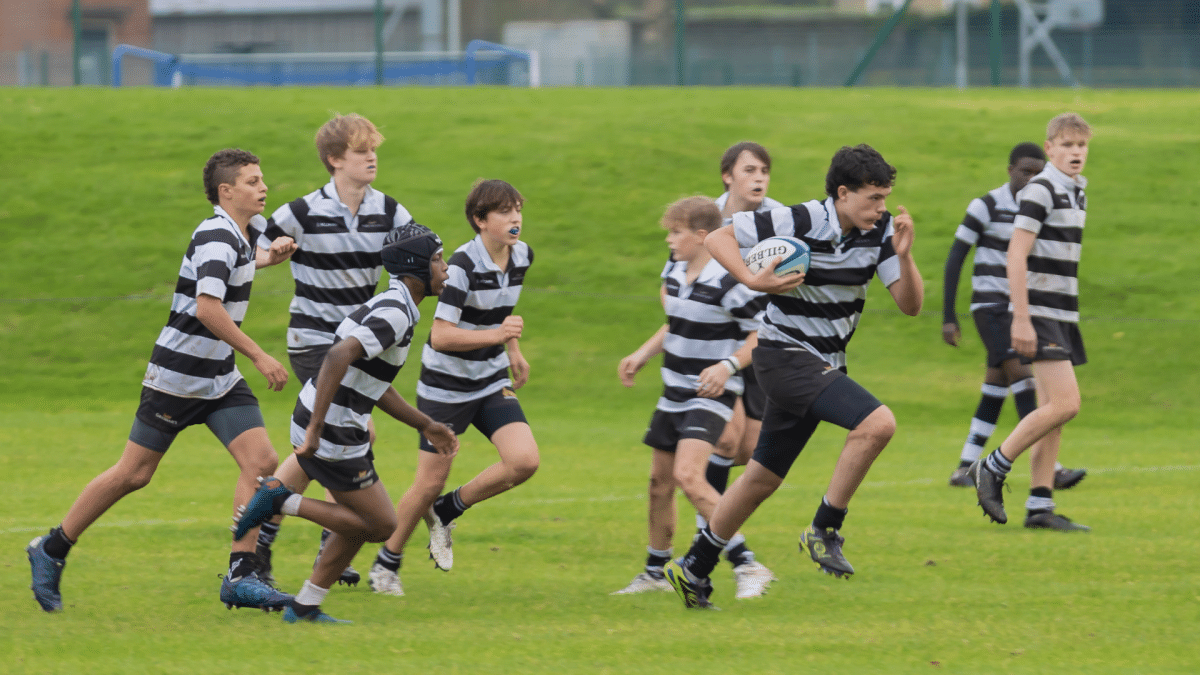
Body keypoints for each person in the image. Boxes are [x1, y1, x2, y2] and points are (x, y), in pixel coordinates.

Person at [26, 148, 298, 613]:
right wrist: (258, 353)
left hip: (217, 376)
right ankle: (51, 548)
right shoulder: (216, 234)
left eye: (262, 179)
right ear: (226, 191)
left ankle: (240, 574)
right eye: (253, 181)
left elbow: (233, 271)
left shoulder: (238, 233)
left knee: (261, 461)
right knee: (134, 474)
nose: (263, 187)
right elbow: (206, 307)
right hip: (178, 377)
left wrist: (269, 258)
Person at [663, 144, 924, 609]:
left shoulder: (881, 231)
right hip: (782, 353)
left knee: (762, 478)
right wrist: (752, 278)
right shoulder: (796, 221)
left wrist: (904, 256)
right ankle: (825, 527)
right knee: (877, 423)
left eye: (885, 198)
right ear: (843, 193)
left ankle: (694, 567)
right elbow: (718, 237)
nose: (882, 208)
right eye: (873, 198)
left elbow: (910, 305)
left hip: (825, 362)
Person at [232, 222, 457, 623]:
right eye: (438, 260)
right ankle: (281, 500)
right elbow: (337, 357)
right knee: (381, 524)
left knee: (357, 522)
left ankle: (305, 607)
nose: (446, 269)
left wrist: (426, 424)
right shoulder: (396, 314)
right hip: (333, 431)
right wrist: (317, 430)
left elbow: (374, 383)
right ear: (415, 268)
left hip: (332, 422)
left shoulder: (394, 303)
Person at [253, 113, 417, 587]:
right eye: (362, 150)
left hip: (360, 344)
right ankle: (269, 543)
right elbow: (249, 251)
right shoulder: (300, 213)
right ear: (334, 159)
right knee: (328, 444)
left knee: (348, 440)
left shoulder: (390, 211)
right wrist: (272, 254)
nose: (372, 158)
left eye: (374, 150)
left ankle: (324, 539)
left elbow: (418, 258)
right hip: (314, 344)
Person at [366, 179, 539, 595]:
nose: (515, 217)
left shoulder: (522, 255)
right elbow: (442, 334)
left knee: (524, 461)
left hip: (490, 379)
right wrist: (499, 336)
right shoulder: (461, 266)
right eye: (504, 211)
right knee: (427, 482)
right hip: (446, 385)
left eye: (518, 208)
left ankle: (448, 509)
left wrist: (512, 348)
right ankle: (386, 565)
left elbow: (503, 310)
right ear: (480, 221)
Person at [613, 196, 776, 600]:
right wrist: (641, 354)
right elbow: (675, 323)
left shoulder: (730, 282)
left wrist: (728, 367)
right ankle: (655, 570)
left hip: (710, 394)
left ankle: (748, 564)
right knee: (658, 483)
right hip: (674, 392)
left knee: (689, 477)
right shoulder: (675, 271)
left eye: (676, 232)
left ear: (703, 236)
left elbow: (762, 335)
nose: (669, 239)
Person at [968, 113, 1094, 533]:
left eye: (1082, 145)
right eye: (1067, 145)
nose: (1076, 152)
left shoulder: (1077, 193)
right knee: (1066, 404)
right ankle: (992, 465)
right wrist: (1021, 318)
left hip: (1062, 314)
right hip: (1038, 315)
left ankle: (1039, 505)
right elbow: (1015, 253)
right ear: (1051, 148)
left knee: (1051, 411)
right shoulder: (1042, 189)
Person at [943, 143, 1087, 490]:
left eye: (1038, 171)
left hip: (1024, 306)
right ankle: (1048, 468)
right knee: (1025, 380)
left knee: (996, 386)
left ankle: (965, 466)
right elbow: (956, 257)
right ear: (1010, 170)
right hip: (992, 308)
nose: (1032, 177)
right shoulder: (986, 205)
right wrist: (949, 315)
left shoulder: (1041, 202)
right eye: (1025, 170)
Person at [704, 142, 785, 530]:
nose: (759, 179)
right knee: (725, 441)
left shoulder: (782, 218)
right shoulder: (707, 217)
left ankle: (693, 473)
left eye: (764, 172)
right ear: (728, 176)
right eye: (750, 170)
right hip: (720, 338)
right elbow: (676, 273)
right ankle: (708, 523)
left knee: (749, 449)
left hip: (763, 340)